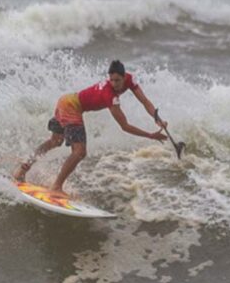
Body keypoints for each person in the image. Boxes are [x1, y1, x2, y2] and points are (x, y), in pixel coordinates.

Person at [13, 60, 168, 194]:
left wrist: (157, 118)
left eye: (118, 80)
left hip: (65, 100)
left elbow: (145, 102)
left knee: (55, 141)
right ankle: (57, 186)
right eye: (112, 80)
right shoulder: (110, 96)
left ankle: (22, 170)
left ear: (124, 77)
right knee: (80, 152)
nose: (114, 84)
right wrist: (150, 135)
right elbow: (125, 126)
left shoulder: (130, 80)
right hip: (71, 107)